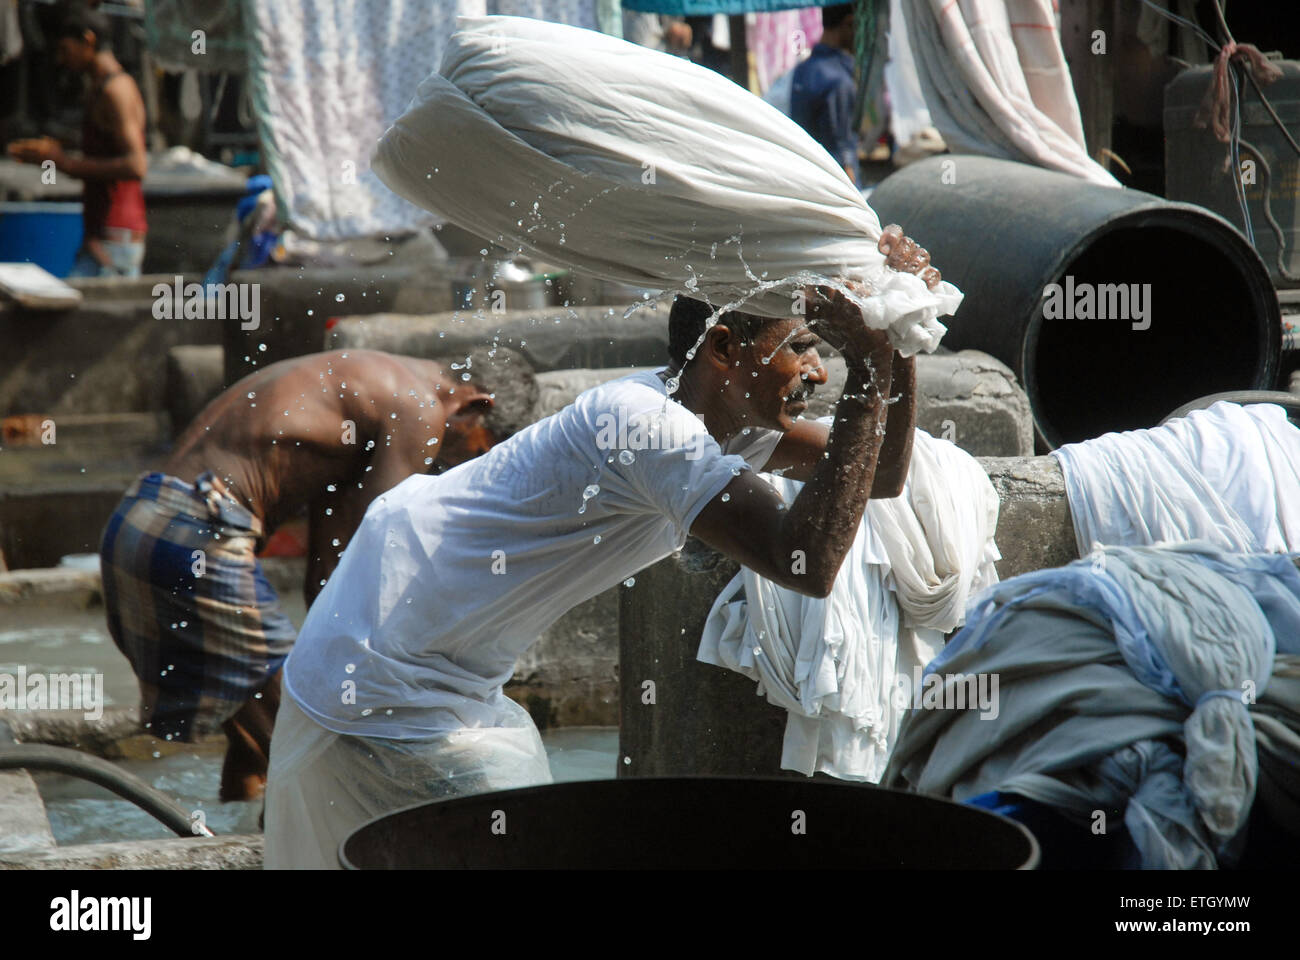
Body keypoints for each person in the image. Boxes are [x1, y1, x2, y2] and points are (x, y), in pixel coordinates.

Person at [263, 226, 940, 867]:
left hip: (431, 656)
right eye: (804, 348)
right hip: (384, 659)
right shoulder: (646, 425)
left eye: (825, 351)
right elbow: (808, 563)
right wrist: (873, 360)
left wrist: (899, 342)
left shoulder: (729, 422)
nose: (820, 373)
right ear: (725, 349)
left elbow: (878, 475)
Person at [99, 347, 536, 801]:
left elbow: (333, 571)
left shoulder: (368, 388)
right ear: (474, 405)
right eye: (476, 450)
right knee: (315, 755)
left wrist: (334, 667)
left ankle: (242, 841)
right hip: (194, 534)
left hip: (142, 525)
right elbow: (381, 554)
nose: (456, 466)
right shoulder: (419, 407)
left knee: (256, 741)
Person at [6, 2, 148, 277]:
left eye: (65, 49)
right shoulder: (97, 88)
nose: (61, 59)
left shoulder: (116, 91)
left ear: (88, 40)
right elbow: (106, 146)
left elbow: (136, 165)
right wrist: (56, 147)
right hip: (99, 239)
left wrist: (63, 163)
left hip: (116, 240)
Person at [790, 3, 860, 184]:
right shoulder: (838, 81)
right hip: (835, 181)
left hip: (805, 176)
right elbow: (841, 149)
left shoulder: (802, 70)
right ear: (849, 23)